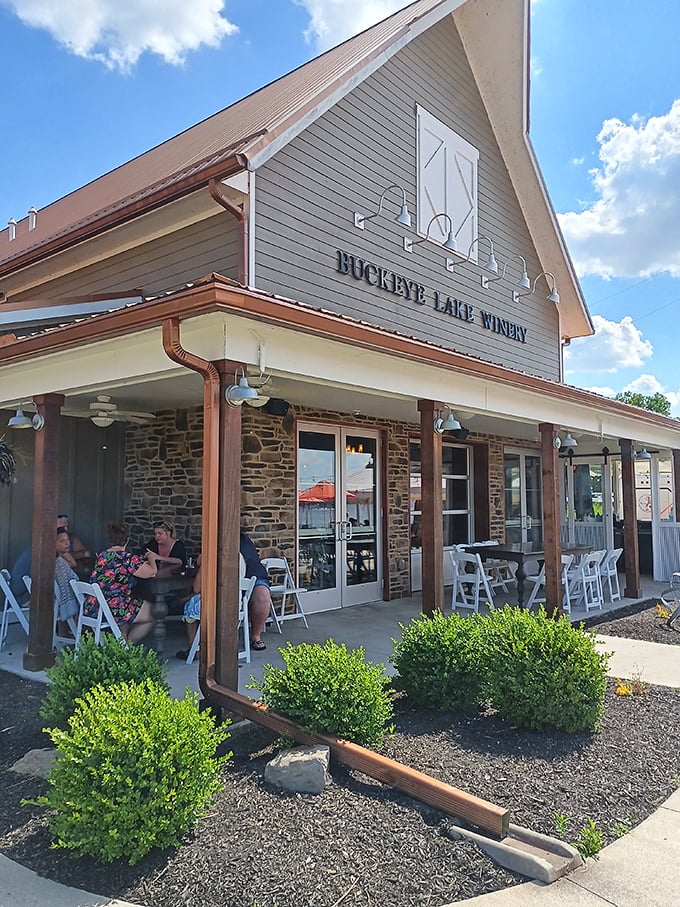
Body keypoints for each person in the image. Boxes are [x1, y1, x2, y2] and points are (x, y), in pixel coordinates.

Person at [175, 532, 271, 659]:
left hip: (221, 601)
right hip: (237, 605)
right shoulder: (238, 553)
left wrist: (203, 562)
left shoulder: (213, 554)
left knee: (190, 605)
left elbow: (197, 587)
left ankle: (194, 649)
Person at [87, 520, 160, 643]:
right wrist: (152, 558)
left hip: (95, 606)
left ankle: (122, 642)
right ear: (127, 540)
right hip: (115, 607)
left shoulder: (102, 556)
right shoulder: (127, 558)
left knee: (130, 607)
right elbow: (152, 572)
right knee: (155, 613)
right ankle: (127, 647)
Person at [55, 527, 80, 624]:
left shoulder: (62, 558)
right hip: (65, 601)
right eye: (62, 541)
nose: (66, 543)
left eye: (67, 540)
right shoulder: (58, 564)